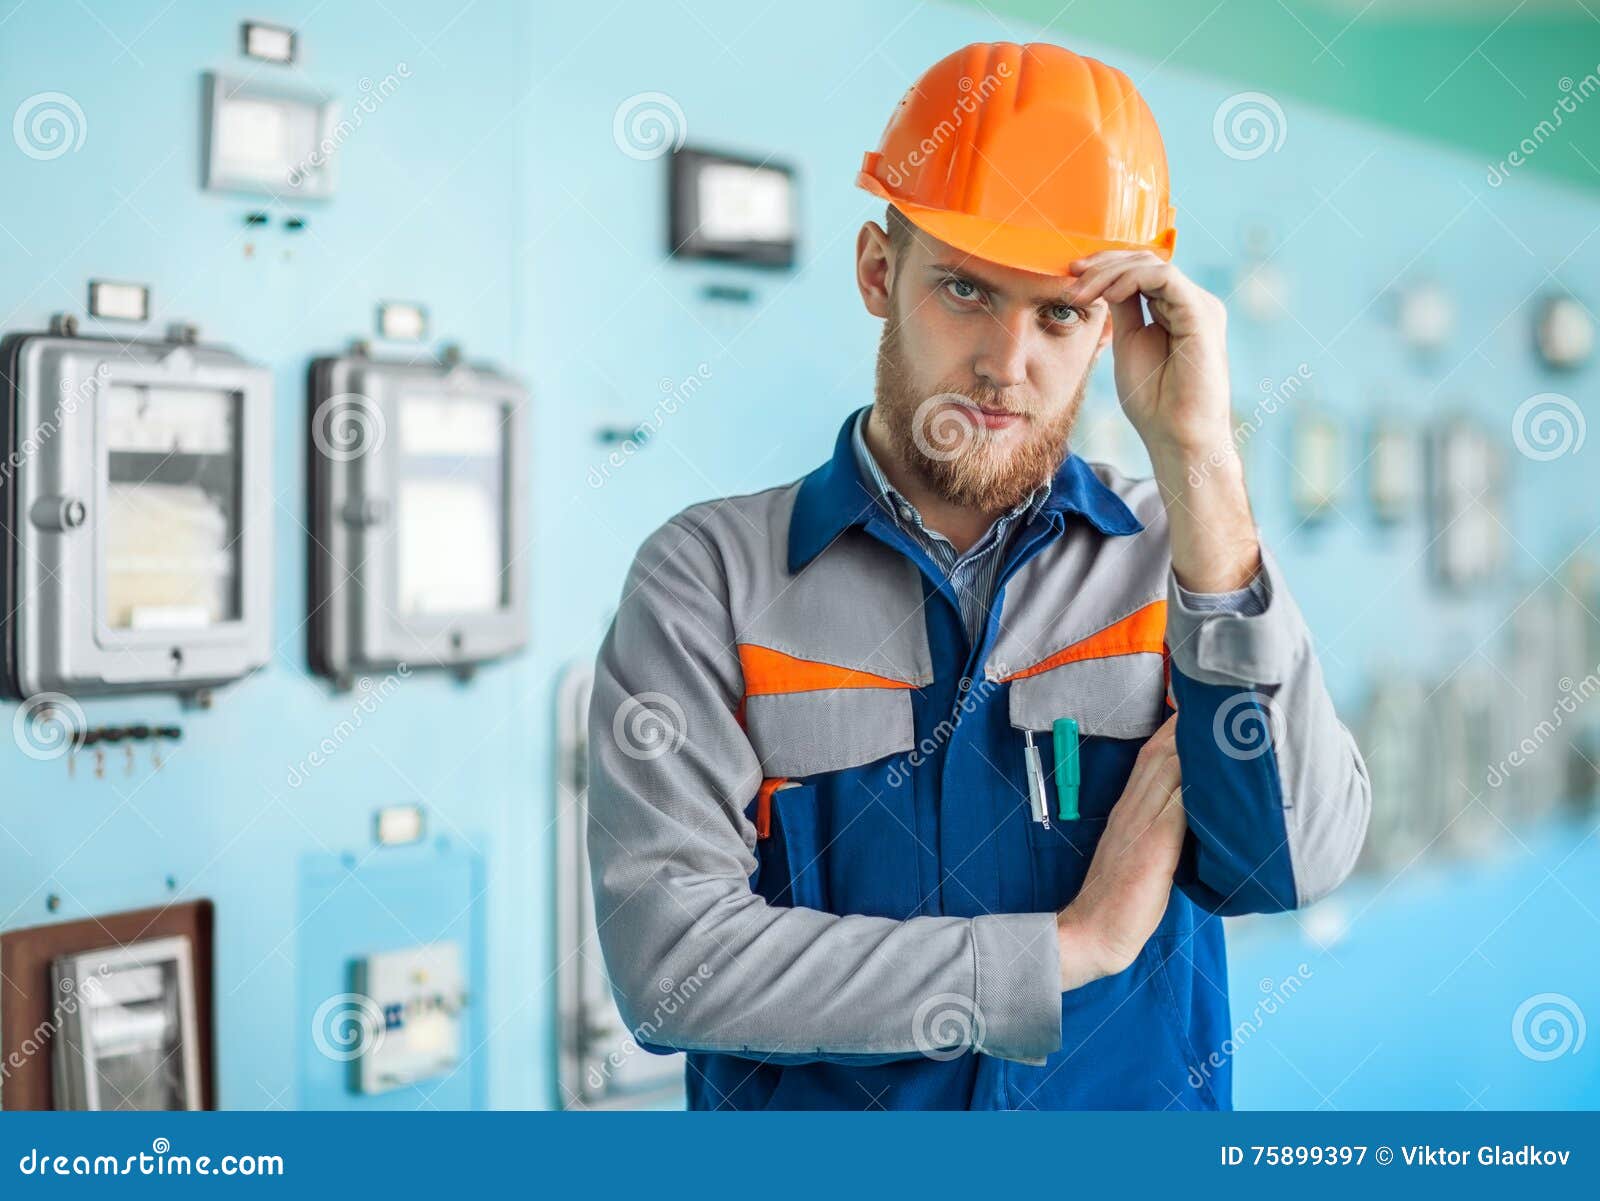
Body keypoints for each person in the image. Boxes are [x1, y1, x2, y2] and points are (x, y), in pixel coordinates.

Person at [586, 41, 1370, 1110]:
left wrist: (1200, 458)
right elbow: (673, 972)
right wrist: (1063, 949)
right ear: (878, 271)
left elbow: (1294, 860)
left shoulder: (1175, 562)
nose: (1009, 363)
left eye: (1059, 313)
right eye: (965, 289)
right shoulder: (709, 580)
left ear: (1111, 327)